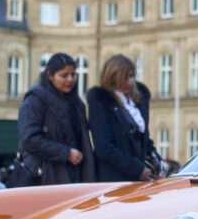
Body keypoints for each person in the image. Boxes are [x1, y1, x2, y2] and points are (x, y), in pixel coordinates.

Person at [17, 53, 95, 185]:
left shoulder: (76, 104)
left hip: (74, 176)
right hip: (46, 179)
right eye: (64, 75)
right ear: (49, 75)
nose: (70, 79)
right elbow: (29, 139)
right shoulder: (34, 100)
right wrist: (66, 153)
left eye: (73, 74)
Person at [87, 54, 163, 182]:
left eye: (131, 76)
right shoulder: (101, 102)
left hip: (139, 179)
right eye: (123, 78)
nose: (129, 82)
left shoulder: (137, 101)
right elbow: (104, 148)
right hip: (113, 179)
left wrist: (157, 162)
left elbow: (144, 141)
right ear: (111, 78)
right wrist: (137, 169)